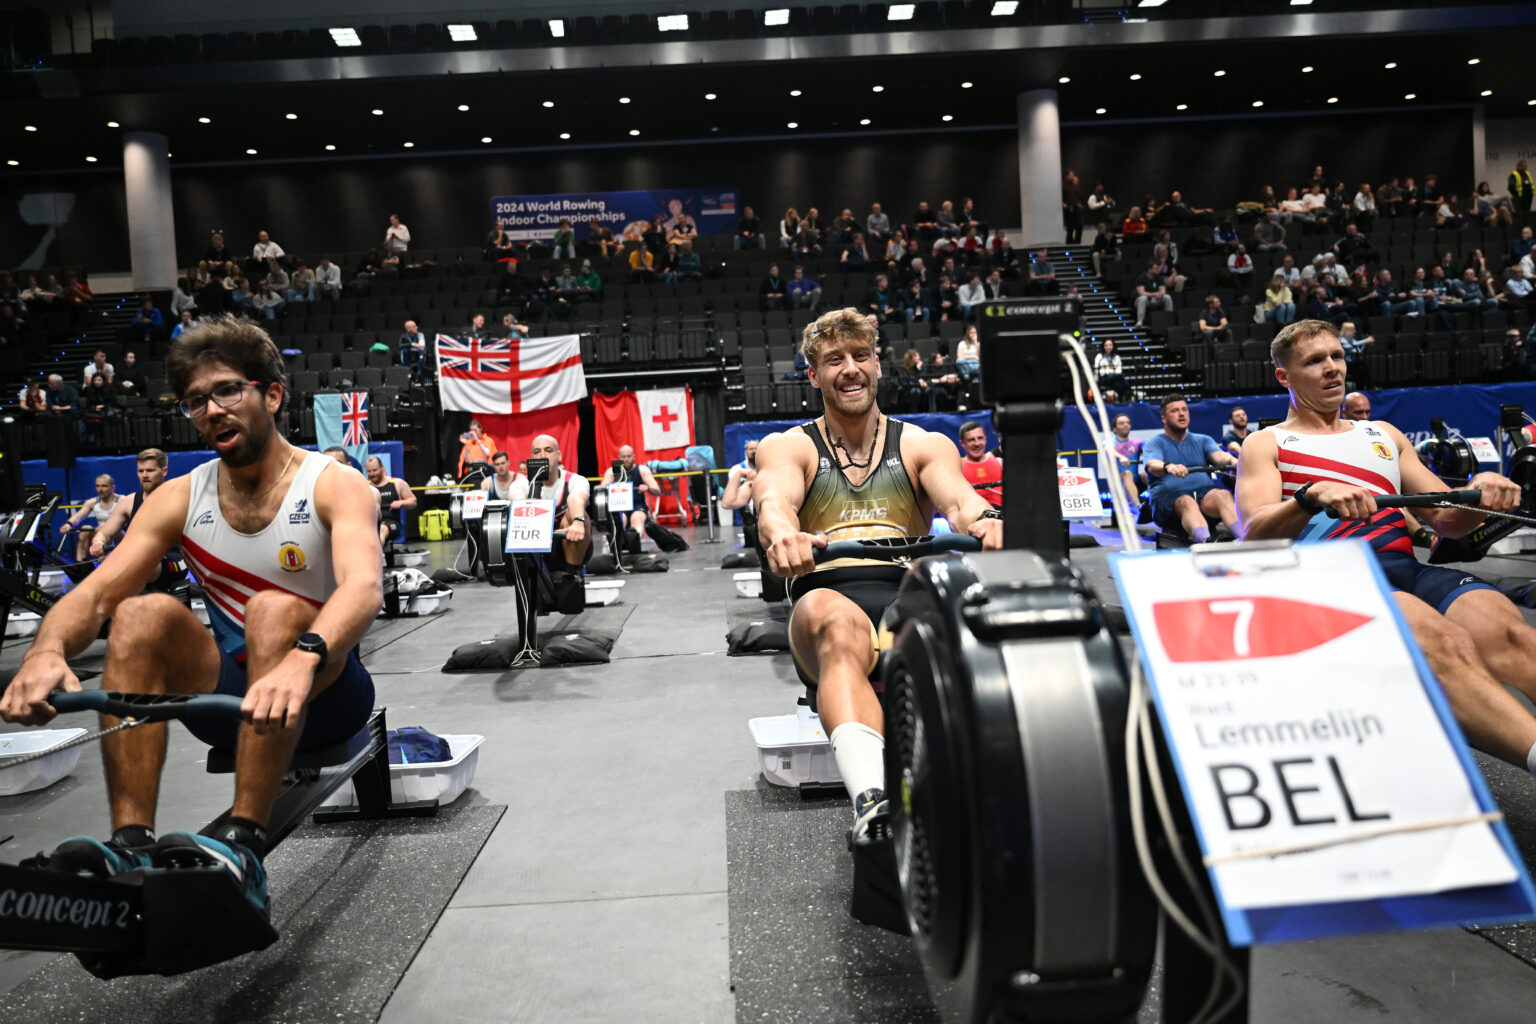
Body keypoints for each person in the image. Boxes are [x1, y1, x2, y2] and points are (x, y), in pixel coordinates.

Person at [1, 318, 383, 913]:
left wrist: (303, 660)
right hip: (230, 701)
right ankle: (129, 844)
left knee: (272, 609)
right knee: (139, 613)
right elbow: (98, 594)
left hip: (326, 692)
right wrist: (45, 652)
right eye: (197, 401)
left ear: (272, 394)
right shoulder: (180, 495)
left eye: (228, 390)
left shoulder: (334, 484)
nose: (212, 410)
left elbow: (363, 587)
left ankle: (245, 843)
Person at [1235, 318, 1536, 780]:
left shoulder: (1383, 435)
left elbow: (1446, 519)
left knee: (1511, 632)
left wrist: (1482, 493)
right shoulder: (1267, 442)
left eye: (1336, 356)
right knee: (1444, 642)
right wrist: (1308, 495)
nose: (1332, 368)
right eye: (1315, 361)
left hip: (1406, 567)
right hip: (1334, 575)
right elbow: (1252, 534)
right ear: (1284, 376)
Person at [752, 307, 1002, 840]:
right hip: (828, 596)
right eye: (833, 360)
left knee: (968, 614)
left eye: (860, 356)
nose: (849, 368)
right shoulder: (788, 446)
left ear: (878, 366)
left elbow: (961, 502)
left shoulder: (923, 443)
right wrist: (783, 536)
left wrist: (985, 521)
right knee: (837, 624)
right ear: (813, 374)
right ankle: (873, 803)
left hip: (908, 595)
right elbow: (774, 502)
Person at [1141, 394, 1239, 543]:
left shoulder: (1203, 439)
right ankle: (1207, 544)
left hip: (1203, 498)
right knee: (1187, 501)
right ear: (1163, 419)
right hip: (1168, 504)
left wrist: (1234, 460)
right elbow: (1152, 465)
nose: (1181, 414)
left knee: (1223, 495)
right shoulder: (1155, 443)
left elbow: (1218, 456)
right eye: (1174, 411)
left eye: (1184, 409)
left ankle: (1247, 540)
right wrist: (1168, 466)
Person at [509, 434, 591, 572]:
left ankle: (571, 575)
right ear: (532, 457)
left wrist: (578, 521)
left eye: (548, 450)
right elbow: (517, 503)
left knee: (579, 514)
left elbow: (575, 498)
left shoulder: (576, 480)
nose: (542, 455)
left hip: (570, 541)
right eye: (537, 451)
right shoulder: (520, 483)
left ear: (558, 455)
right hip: (536, 546)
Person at [600, 445, 661, 546]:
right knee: (620, 519)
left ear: (634, 457)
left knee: (636, 519)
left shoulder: (642, 470)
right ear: (619, 457)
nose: (626, 459)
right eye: (623, 457)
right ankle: (619, 542)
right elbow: (601, 490)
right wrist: (608, 487)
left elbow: (657, 490)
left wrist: (648, 488)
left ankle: (634, 541)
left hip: (637, 506)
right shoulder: (612, 472)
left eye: (628, 456)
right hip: (619, 506)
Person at [59, 474, 120, 560]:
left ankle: (109, 560)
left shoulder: (122, 501)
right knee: (85, 529)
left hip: (119, 535)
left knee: (110, 530)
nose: (100, 490)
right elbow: (78, 517)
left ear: (113, 487)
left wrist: (108, 527)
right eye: (97, 486)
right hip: (100, 534)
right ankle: (80, 565)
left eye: (104, 486)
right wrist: (68, 524)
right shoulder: (92, 502)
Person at [365, 455, 417, 546]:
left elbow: (413, 501)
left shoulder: (397, 483)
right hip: (371, 522)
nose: (372, 474)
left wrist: (401, 502)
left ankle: (377, 555)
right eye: (369, 471)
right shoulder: (365, 485)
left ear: (382, 467)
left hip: (391, 523)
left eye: (375, 470)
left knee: (380, 529)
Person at [958, 420, 1002, 508]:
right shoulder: (957, 468)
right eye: (971, 440)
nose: (977, 443)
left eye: (980, 438)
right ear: (963, 443)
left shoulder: (1001, 463)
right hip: (973, 518)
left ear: (985, 439)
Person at [1108, 413, 1142, 512]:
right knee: (1127, 473)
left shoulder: (1137, 442)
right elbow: (1108, 450)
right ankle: (1137, 507)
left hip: (1136, 483)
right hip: (1119, 484)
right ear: (1114, 428)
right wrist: (1121, 457)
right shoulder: (1110, 442)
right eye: (1121, 423)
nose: (1126, 425)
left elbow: (1149, 450)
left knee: (1147, 474)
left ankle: (1157, 505)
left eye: (1128, 423)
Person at [721, 440, 759, 513]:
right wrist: (739, 473)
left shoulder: (768, 469)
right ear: (746, 453)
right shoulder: (737, 469)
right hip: (745, 507)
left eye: (756, 448)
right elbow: (727, 503)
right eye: (751, 449)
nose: (754, 451)